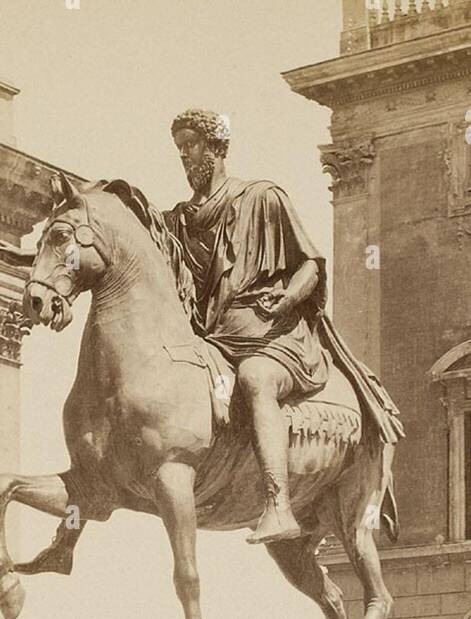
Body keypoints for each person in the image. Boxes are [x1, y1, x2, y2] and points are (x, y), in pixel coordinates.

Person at [164, 108, 402, 545]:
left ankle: (278, 505)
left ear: (216, 147)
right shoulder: (178, 220)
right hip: (215, 340)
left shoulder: (263, 197)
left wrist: (289, 297)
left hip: (274, 336)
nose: (184, 155)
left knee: (255, 379)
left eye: (192, 145)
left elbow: (310, 265)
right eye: (179, 147)